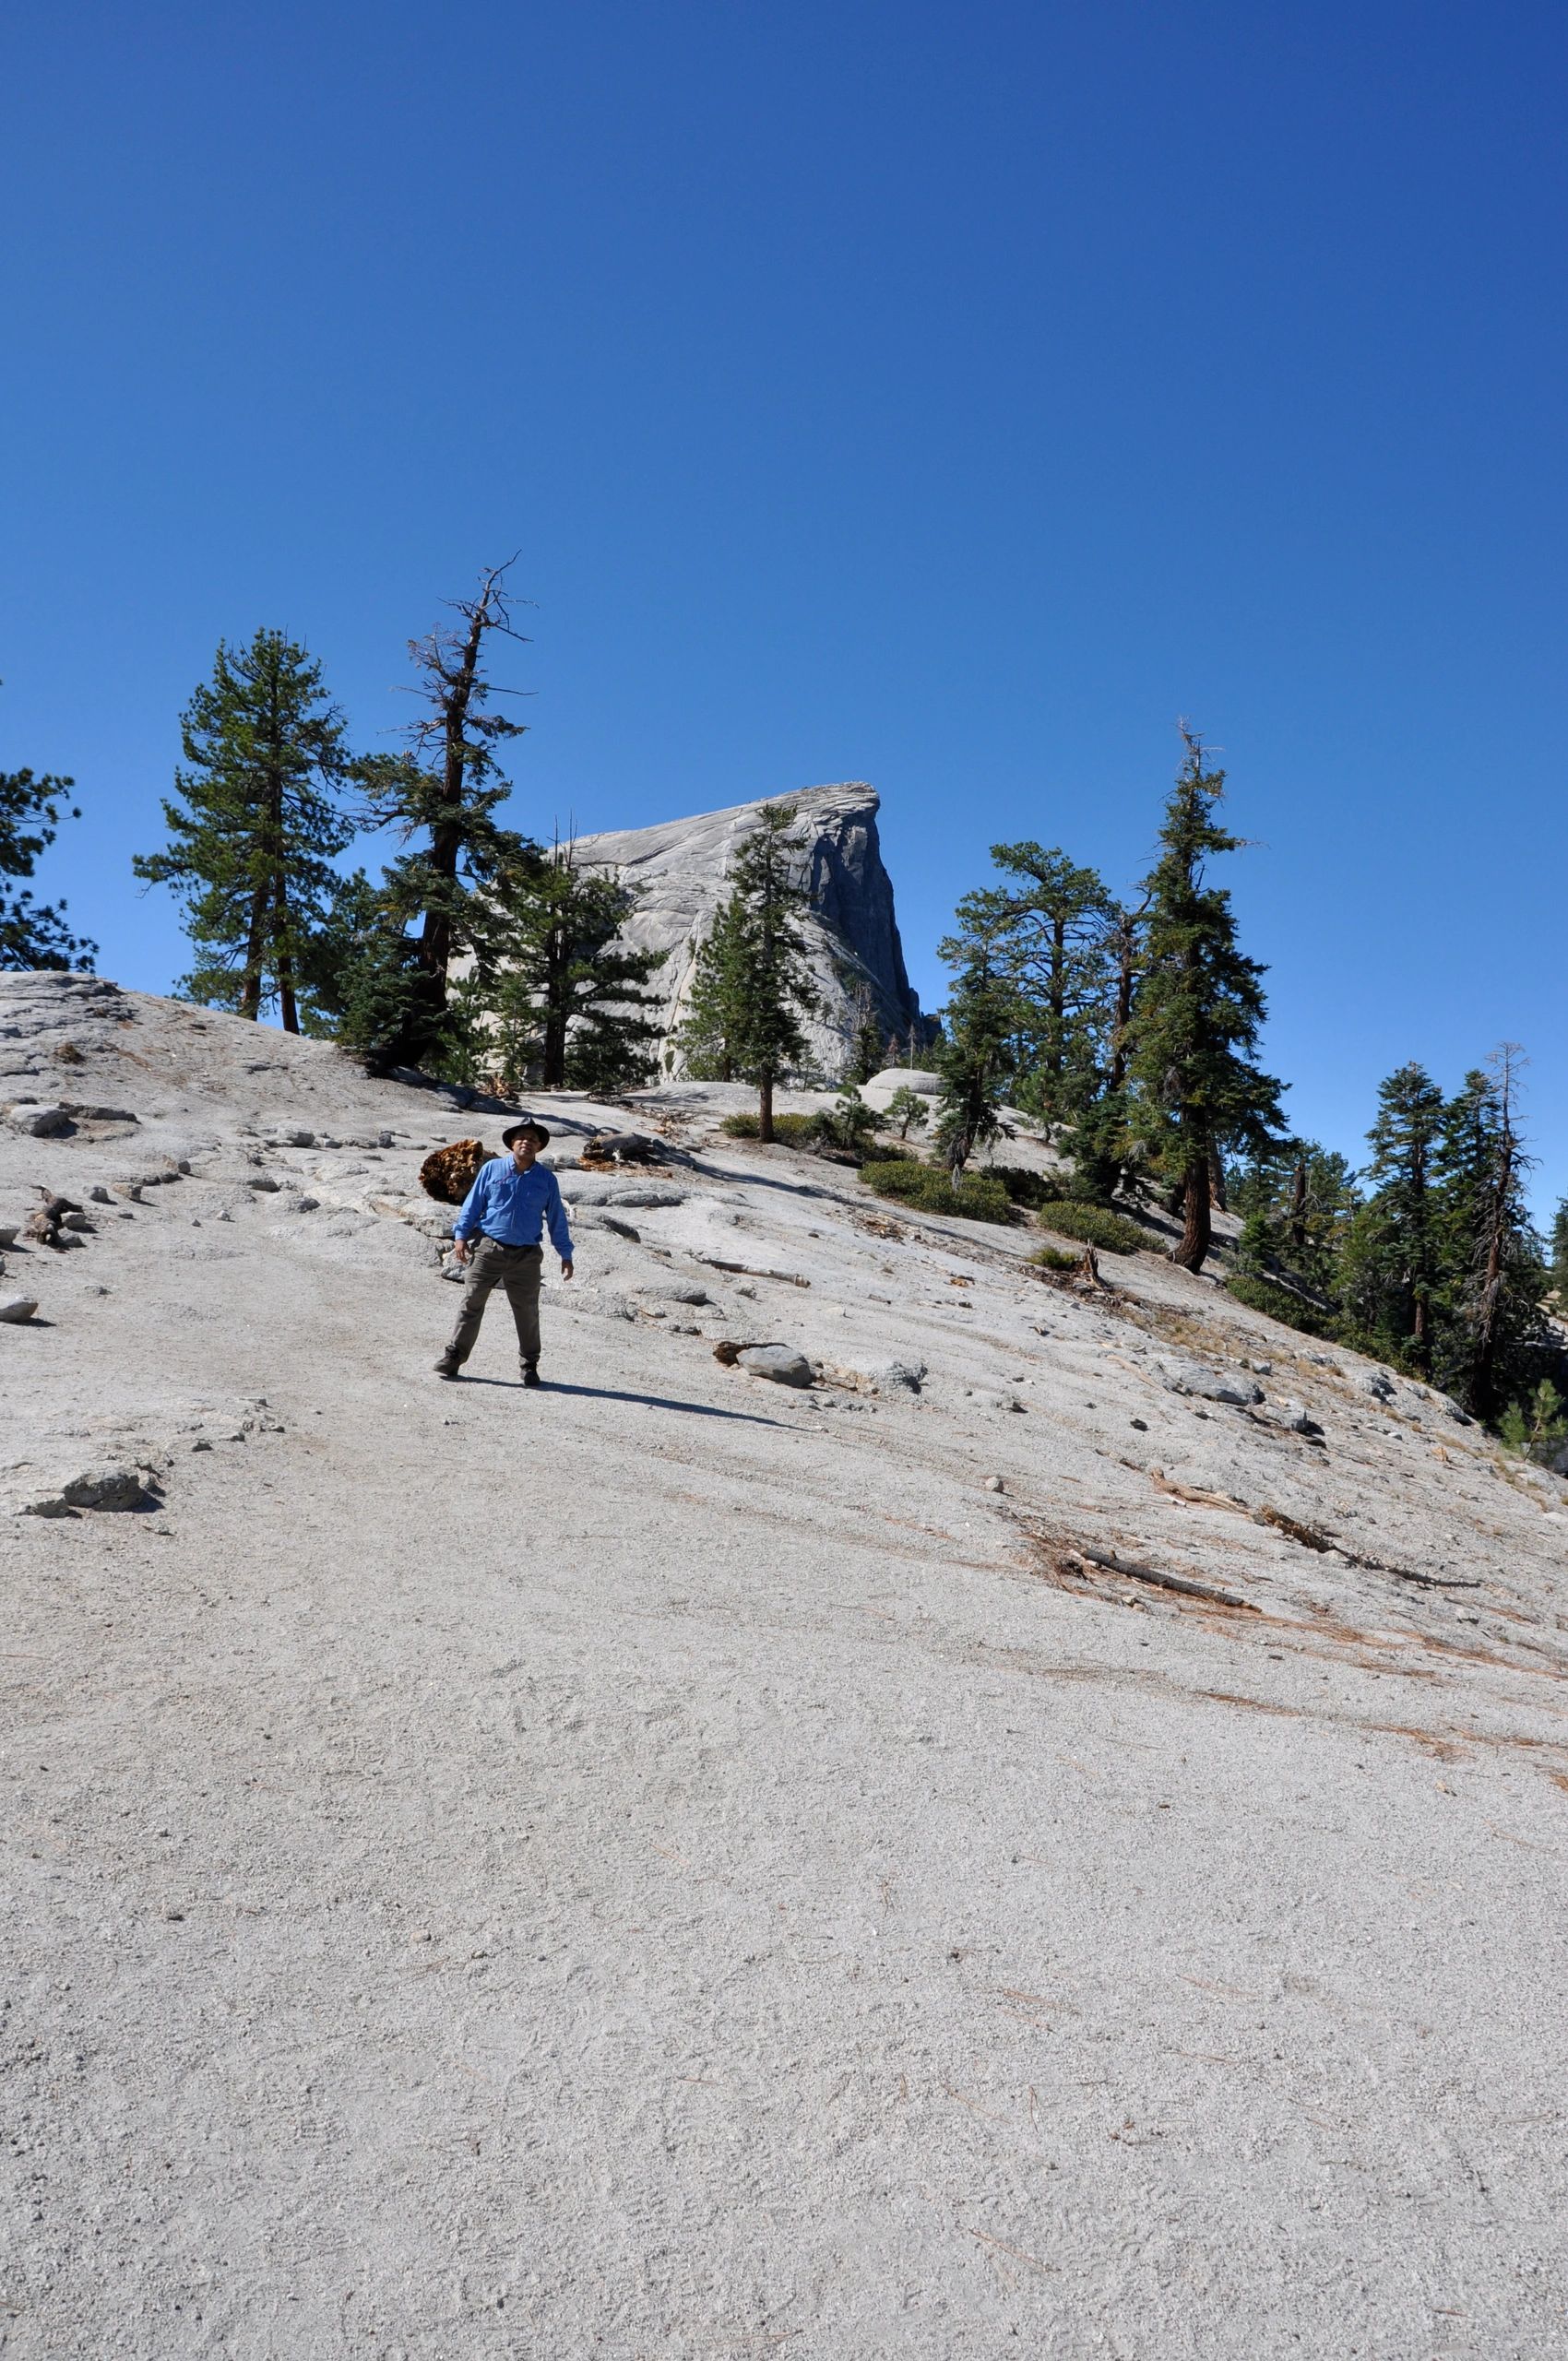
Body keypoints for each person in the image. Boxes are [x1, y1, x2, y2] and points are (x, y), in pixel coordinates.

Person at [434, 1118, 574, 1386]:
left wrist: (565, 1254)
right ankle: (453, 1357)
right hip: (489, 1248)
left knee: (527, 1311)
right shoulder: (492, 1169)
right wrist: (461, 1235)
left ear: (539, 1146)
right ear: (512, 1143)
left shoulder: (546, 1180)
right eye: (521, 1138)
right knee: (472, 1302)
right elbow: (473, 1203)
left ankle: (529, 1365)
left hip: (527, 1255)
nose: (526, 1142)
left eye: (532, 1139)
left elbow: (557, 1218)